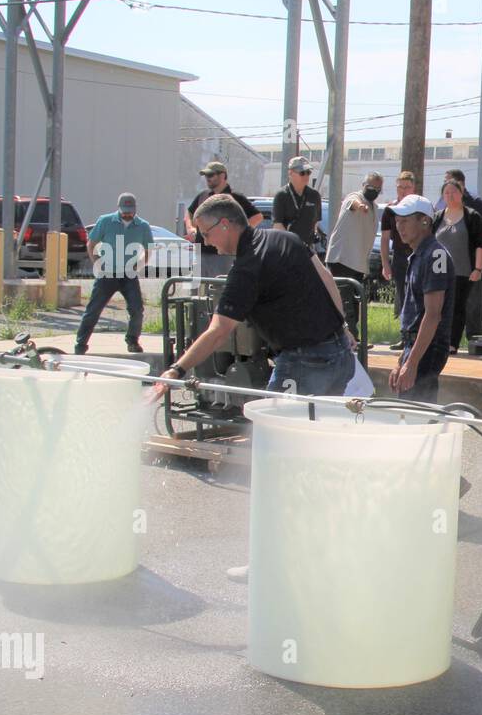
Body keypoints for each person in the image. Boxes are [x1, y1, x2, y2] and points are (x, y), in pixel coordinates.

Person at [154, 194, 356, 585]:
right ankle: (326, 552)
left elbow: (218, 330)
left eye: (205, 233)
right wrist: (343, 328)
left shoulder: (248, 266)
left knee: (273, 464)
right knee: (318, 458)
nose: (205, 242)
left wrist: (176, 370)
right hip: (336, 357)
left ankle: (272, 561)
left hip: (303, 363)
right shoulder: (285, 240)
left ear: (226, 225)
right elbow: (327, 280)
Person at [389, 194, 455, 402]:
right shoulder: (418, 255)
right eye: (397, 221)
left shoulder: (435, 255)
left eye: (405, 220)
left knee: (417, 411)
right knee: (408, 409)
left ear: (424, 221)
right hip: (416, 344)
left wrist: (412, 362)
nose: (400, 226)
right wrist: (403, 360)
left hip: (429, 344)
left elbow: (433, 315)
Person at [76, 192, 152, 355]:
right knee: (93, 311)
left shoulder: (143, 226)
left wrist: (139, 264)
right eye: (124, 210)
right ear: (118, 208)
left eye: (130, 210)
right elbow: (92, 243)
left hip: (128, 275)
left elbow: (148, 250)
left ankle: (132, 341)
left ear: (135, 209)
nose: (127, 214)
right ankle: (80, 344)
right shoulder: (105, 221)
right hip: (107, 274)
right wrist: (97, 262)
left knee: (137, 309)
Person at [325, 172, 383, 341]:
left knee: (354, 302)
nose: (374, 191)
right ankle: (345, 338)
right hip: (342, 259)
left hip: (357, 263)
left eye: (378, 189)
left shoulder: (375, 207)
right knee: (343, 302)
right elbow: (352, 203)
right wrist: (360, 206)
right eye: (371, 187)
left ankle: (354, 338)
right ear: (363, 185)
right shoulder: (355, 197)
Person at [432, 179, 482, 354]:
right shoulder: (438, 216)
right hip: (438, 271)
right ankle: (436, 340)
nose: (450, 196)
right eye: (446, 193)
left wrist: (477, 269)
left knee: (457, 307)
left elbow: (480, 244)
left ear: (461, 193)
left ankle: (452, 342)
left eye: (453, 192)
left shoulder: (472, 216)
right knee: (437, 307)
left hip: (462, 272)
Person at [184, 161, 262, 277]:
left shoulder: (235, 198)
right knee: (196, 292)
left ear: (222, 175)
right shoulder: (203, 196)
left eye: (210, 175)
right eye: (206, 176)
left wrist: (239, 234)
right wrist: (191, 228)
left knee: (219, 290)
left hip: (224, 256)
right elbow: (189, 214)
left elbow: (258, 217)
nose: (207, 178)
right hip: (200, 254)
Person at [380, 170, 417, 350]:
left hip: (418, 256)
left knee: (419, 295)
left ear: (413, 188)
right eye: (400, 187)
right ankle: (405, 336)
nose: (403, 191)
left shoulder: (421, 207)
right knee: (403, 297)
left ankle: (419, 335)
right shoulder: (390, 210)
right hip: (400, 257)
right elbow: (385, 239)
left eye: (407, 187)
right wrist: (385, 264)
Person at [272, 156, 323, 249]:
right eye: (302, 173)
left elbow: (315, 222)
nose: (306, 176)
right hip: (287, 248)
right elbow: (277, 225)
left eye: (308, 172)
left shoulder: (314, 195)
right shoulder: (281, 195)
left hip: (308, 249)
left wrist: (314, 235)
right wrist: (294, 244)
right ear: (290, 173)